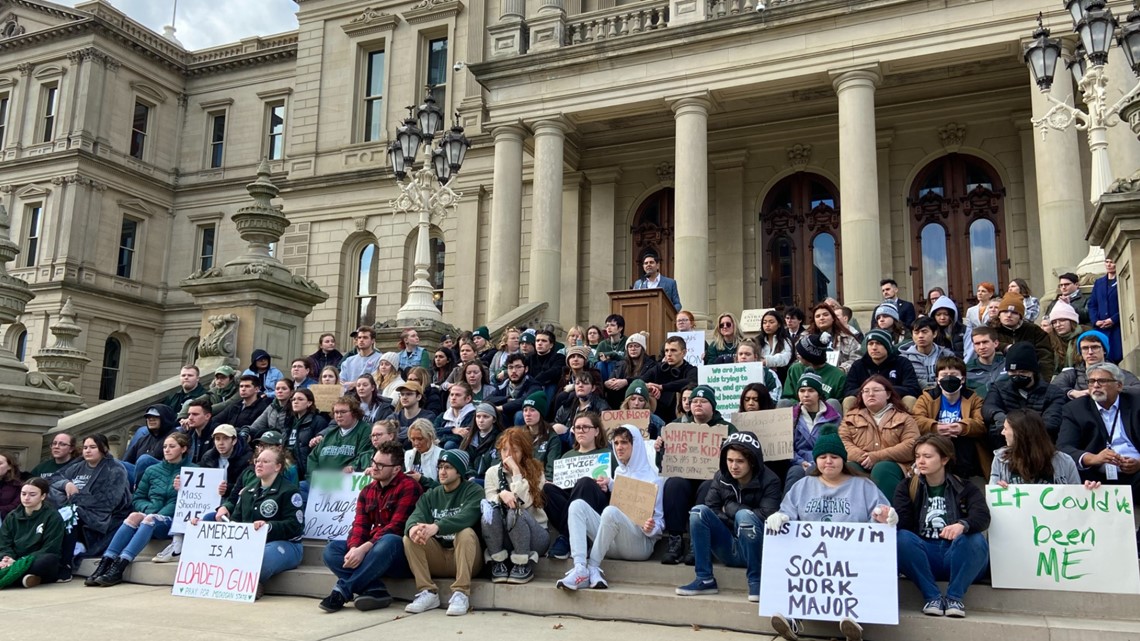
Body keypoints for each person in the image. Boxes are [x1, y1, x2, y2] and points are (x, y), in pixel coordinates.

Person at [767, 424, 896, 641]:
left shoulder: (863, 486)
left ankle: (854, 619)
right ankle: (792, 618)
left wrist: (886, 517)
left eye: (834, 456)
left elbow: (881, 517)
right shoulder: (802, 486)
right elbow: (787, 513)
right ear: (816, 459)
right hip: (812, 557)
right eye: (823, 456)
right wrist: (780, 517)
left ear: (843, 460)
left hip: (852, 557)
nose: (828, 461)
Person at [894, 433, 991, 619]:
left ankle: (955, 597)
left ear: (944, 459)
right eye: (917, 456)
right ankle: (933, 598)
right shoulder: (907, 486)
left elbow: (982, 516)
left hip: (956, 555)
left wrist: (963, 525)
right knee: (901, 538)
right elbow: (904, 523)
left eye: (927, 456)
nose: (921, 461)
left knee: (975, 539)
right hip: (926, 556)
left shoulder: (965, 487)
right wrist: (890, 517)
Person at [556, 425, 663, 591]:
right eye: (617, 443)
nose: (619, 447)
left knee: (610, 511)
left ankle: (593, 565)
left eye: (625, 443)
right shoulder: (619, 472)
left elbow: (659, 523)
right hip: (612, 544)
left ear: (636, 446)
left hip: (640, 545)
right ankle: (580, 568)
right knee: (577, 505)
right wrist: (610, 485)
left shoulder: (654, 479)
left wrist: (651, 528)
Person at [319, 440, 421, 613]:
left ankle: (343, 591)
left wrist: (364, 548)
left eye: (381, 465)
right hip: (373, 552)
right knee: (332, 550)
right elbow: (359, 524)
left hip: (398, 554)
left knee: (389, 540)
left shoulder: (409, 487)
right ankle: (374, 589)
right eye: (374, 462)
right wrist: (354, 548)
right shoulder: (367, 490)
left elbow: (397, 526)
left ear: (396, 469)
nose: (374, 467)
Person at [676, 432, 779, 601]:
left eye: (740, 461)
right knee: (698, 512)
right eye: (730, 460)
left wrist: (731, 509)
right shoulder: (721, 477)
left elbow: (767, 516)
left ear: (752, 461)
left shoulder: (770, 480)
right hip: (728, 544)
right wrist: (733, 516)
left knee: (745, 517)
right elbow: (711, 508)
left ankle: (757, 583)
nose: (733, 466)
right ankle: (705, 578)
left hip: (756, 547)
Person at [84, 432, 192, 587]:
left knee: (149, 519)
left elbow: (192, 501)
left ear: (183, 449)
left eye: (172, 446)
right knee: (134, 516)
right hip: (152, 513)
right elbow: (138, 497)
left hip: (173, 521)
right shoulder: (152, 470)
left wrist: (181, 492)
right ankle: (106, 562)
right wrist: (148, 508)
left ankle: (120, 566)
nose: (167, 450)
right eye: (165, 446)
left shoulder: (192, 471)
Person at [202, 446, 305, 599]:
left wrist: (268, 526)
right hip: (249, 543)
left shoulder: (289, 491)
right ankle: (245, 583)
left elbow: (295, 526)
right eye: (258, 461)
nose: (259, 464)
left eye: (265, 461)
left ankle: (246, 583)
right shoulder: (247, 491)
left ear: (278, 466)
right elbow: (235, 521)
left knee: (261, 557)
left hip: (284, 544)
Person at [658, 385, 737, 565]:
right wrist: (659, 448)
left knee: (709, 487)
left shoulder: (726, 428)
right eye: (694, 401)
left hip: (712, 480)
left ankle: (697, 543)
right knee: (673, 484)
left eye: (703, 401)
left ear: (713, 406)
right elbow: (663, 463)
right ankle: (675, 541)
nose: (698, 404)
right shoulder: (676, 426)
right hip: (685, 478)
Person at [402, 450, 484, 617]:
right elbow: (416, 516)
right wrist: (413, 529)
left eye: (448, 467)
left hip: (465, 558)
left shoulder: (474, 491)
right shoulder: (432, 494)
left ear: (459, 471)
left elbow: (467, 517)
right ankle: (428, 593)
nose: (442, 472)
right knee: (409, 537)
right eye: (440, 467)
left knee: (466, 532)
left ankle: (461, 593)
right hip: (438, 556)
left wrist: (436, 527)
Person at [1057, 363, 1140, 509]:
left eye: (1102, 381)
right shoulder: (1075, 409)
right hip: (1095, 476)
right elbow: (1064, 448)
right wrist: (1093, 458)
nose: (1095, 386)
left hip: (1137, 473)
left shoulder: (1136, 402)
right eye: (1091, 381)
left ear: (1119, 386)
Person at [51, 435, 131, 569]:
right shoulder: (78, 466)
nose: (87, 451)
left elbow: (108, 501)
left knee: (70, 514)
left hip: (101, 519)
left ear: (103, 448)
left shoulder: (115, 469)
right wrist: (66, 484)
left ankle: (65, 564)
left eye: (93, 447)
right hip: (75, 508)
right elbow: (53, 479)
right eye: (85, 447)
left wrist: (73, 500)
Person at [481, 428, 550, 584]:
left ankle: (522, 564)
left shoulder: (536, 471)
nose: (508, 456)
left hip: (535, 535)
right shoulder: (492, 472)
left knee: (515, 512)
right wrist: (501, 495)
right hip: (505, 534)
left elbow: (523, 502)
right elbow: (489, 500)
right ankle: (498, 561)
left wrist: (516, 471)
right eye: (505, 450)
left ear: (524, 452)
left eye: (515, 451)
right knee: (489, 514)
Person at [841, 376, 920, 498]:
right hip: (859, 462)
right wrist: (864, 457)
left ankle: (891, 514)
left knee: (882, 468)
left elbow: (912, 445)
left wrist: (877, 457)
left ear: (888, 394)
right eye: (866, 391)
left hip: (894, 465)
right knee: (849, 468)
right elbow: (842, 442)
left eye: (876, 390)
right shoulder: (850, 418)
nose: (870, 394)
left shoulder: (904, 418)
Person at [911, 356, 989, 480]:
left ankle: (962, 480)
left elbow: (981, 424)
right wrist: (935, 427)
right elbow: (915, 420)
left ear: (962, 379)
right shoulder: (926, 398)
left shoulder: (974, 399)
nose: (948, 378)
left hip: (964, 449)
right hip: (935, 443)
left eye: (953, 374)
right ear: (937, 379)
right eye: (944, 375)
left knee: (961, 440)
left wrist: (961, 427)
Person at [983, 342, 1068, 442]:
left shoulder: (1054, 393)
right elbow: (989, 407)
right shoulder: (999, 388)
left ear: (1033, 371)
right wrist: (1001, 418)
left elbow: (1051, 423)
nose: (1017, 375)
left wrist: (1016, 429)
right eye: (1012, 372)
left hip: (1040, 445)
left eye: (1023, 372)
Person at [0, 477, 66, 589]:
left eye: (32, 494)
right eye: (23, 494)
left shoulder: (52, 516)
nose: (26, 498)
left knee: (48, 560)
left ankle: (18, 576)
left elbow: (51, 547)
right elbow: (4, 542)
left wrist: (20, 561)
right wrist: (7, 557)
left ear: (43, 496)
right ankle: (25, 579)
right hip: (14, 558)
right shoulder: (12, 516)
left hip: (35, 559)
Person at [991, 409, 1083, 485]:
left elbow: (1077, 497)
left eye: (1006, 428)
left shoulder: (1065, 461)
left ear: (1019, 434)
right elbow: (993, 498)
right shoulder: (1000, 459)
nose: (1002, 432)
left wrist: (1089, 491)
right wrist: (999, 491)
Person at [786, 372, 842, 490]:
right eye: (802, 391)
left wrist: (820, 461)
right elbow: (786, 448)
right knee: (795, 473)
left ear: (819, 394)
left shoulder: (834, 417)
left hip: (826, 462)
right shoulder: (789, 417)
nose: (806, 395)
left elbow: (839, 445)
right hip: (798, 463)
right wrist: (800, 462)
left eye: (811, 390)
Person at [843, 328, 921, 410]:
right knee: (849, 400)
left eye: (879, 343)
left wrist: (884, 390)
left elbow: (913, 389)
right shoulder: (858, 365)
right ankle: (849, 423)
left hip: (894, 404)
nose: (874, 347)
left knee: (910, 399)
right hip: (866, 405)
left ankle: (906, 423)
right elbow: (848, 391)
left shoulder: (902, 362)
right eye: (870, 344)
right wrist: (870, 391)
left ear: (887, 346)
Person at [1053, 330, 1140, 399]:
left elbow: (1137, 388)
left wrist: (1111, 389)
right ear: (1081, 352)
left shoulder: (1119, 373)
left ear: (1104, 350)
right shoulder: (1071, 374)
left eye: (1095, 347)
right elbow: (1052, 389)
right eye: (1085, 348)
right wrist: (1071, 393)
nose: (1090, 352)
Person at [307, 396, 373, 480]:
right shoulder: (330, 433)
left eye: (343, 412)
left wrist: (353, 467)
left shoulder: (365, 430)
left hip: (347, 481)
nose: (339, 415)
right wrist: (313, 478)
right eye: (336, 412)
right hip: (322, 481)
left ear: (354, 413)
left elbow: (365, 454)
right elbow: (313, 457)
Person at [779, 334, 846, 412]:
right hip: (798, 412)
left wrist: (816, 406)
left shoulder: (838, 376)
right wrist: (804, 406)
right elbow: (788, 396)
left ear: (810, 357)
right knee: (783, 403)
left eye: (800, 353)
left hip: (825, 414)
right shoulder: (794, 369)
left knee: (833, 402)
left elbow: (838, 404)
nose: (797, 356)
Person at [993, 292, 1055, 375]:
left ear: (1020, 316)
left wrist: (1042, 382)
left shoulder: (1034, 331)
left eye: (1014, 312)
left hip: (1030, 378)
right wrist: (1005, 347)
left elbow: (1045, 358)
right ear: (999, 315)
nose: (1009, 315)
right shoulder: (991, 331)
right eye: (1005, 311)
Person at [643, 335, 698, 423]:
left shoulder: (691, 370)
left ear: (683, 353)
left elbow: (690, 381)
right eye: (666, 350)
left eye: (673, 350)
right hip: (658, 417)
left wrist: (661, 387)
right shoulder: (659, 368)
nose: (669, 354)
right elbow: (640, 380)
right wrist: (648, 386)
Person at [121, 404, 178, 486]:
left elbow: (173, 464)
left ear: (165, 418)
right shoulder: (143, 439)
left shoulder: (176, 437)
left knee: (144, 460)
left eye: (155, 417)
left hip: (164, 477)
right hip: (138, 476)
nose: (151, 419)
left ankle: (138, 492)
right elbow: (126, 461)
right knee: (115, 463)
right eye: (148, 417)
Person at [282, 388, 327, 481]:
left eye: (300, 399)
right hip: (289, 466)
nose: (295, 402)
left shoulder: (318, 421)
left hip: (306, 469)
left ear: (309, 403)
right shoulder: (289, 422)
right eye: (293, 399)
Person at [553, 372, 610, 442]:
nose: (580, 385)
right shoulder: (567, 405)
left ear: (593, 388)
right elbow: (556, 422)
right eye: (577, 383)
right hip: (569, 441)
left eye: (585, 383)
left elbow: (604, 430)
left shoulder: (601, 406)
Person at [901, 317, 954, 390]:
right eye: (916, 333)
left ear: (934, 334)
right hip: (916, 394)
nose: (920, 336)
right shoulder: (904, 358)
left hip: (943, 393)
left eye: (924, 332)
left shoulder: (947, 355)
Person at [485, 353, 539, 426]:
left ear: (526, 369)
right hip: (506, 420)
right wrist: (507, 399)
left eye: (518, 367)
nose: (514, 371)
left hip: (525, 422)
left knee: (520, 415)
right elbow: (487, 400)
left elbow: (525, 400)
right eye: (510, 367)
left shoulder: (533, 385)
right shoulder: (503, 385)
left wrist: (502, 407)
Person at [211, 376, 270, 443]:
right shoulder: (235, 405)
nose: (243, 389)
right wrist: (225, 429)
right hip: (226, 440)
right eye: (241, 386)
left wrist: (230, 431)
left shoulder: (263, 407)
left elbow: (254, 430)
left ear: (256, 389)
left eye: (247, 386)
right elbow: (214, 420)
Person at [604, 333, 654, 406]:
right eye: (630, 346)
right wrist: (607, 383)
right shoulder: (622, 364)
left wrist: (626, 381)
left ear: (642, 348)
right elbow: (613, 377)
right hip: (621, 402)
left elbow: (645, 378)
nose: (633, 349)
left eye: (636, 346)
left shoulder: (651, 364)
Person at [521, 391, 562, 480]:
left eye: (532, 410)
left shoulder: (552, 438)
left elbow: (551, 470)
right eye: (525, 410)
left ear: (541, 413)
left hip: (540, 482)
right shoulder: (518, 435)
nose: (527, 414)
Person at [1089, 258, 1122, 363]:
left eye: (1112, 262)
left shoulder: (1122, 279)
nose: (1109, 265)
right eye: (1107, 262)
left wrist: (1113, 319)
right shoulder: (1099, 283)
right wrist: (1095, 320)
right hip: (1101, 327)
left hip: (1117, 326)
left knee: (1117, 355)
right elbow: (1092, 304)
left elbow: (1126, 303)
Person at [805, 306, 857, 372]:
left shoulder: (847, 338)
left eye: (825, 315)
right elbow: (799, 359)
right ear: (814, 321)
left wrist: (842, 369)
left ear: (833, 318)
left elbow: (856, 359)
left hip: (840, 377)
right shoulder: (806, 339)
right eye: (818, 316)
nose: (821, 318)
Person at [1047, 300, 1088, 375]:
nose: (1058, 325)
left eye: (1062, 320)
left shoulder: (1086, 337)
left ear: (1072, 321)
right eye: (1054, 322)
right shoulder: (1049, 340)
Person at [965, 326, 1005, 397]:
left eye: (985, 342)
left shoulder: (1007, 364)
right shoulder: (967, 370)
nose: (981, 347)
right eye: (977, 343)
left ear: (996, 343)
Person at [435, 382, 477, 450]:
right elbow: (433, 431)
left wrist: (440, 438)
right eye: (451, 395)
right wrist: (452, 430)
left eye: (458, 395)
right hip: (442, 450)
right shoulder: (443, 415)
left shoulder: (474, 415)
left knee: (449, 444)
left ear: (468, 399)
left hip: (465, 451)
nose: (453, 398)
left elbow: (460, 437)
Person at [394, 381, 437, 446]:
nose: (404, 397)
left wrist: (399, 431)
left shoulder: (428, 417)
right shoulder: (394, 417)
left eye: (409, 394)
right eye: (402, 394)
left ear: (419, 397)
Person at [405, 420, 443, 489]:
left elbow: (444, 489)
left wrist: (421, 479)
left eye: (420, 439)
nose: (416, 443)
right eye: (413, 439)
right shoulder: (408, 454)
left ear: (430, 437)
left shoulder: (441, 455)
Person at [757, 310, 794, 382]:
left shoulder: (785, 340)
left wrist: (766, 361)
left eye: (771, 322)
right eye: (764, 322)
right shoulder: (758, 340)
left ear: (779, 324)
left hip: (781, 376)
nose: (767, 325)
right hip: (760, 376)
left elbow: (785, 358)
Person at [0, 453, 21, 519]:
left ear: (10, 466)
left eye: (0, 463)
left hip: (7, 521)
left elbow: (16, 506)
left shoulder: (17, 486)